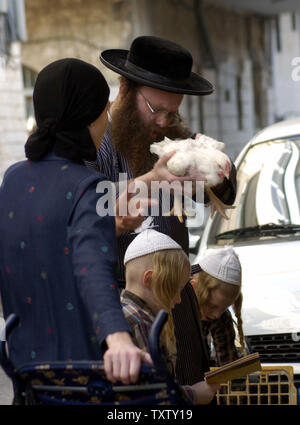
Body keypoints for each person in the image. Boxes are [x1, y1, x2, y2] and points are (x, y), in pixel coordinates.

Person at [0, 58, 157, 393]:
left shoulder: (12, 180)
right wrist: (118, 338)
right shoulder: (88, 186)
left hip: (28, 377)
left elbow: (54, 252)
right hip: (82, 382)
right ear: (90, 119)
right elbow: (92, 267)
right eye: (104, 110)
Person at [86, 35, 237, 385]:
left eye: (174, 112)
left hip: (178, 303)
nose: (164, 122)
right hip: (124, 311)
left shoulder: (173, 139)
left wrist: (217, 167)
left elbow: (225, 196)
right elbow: (87, 230)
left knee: (187, 393)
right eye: (156, 110)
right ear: (124, 91)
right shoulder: (97, 147)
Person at [121, 229, 220, 404]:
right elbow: (152, 395)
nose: (179, 299)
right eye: (175, 289)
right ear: (150, 279)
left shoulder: (123, 313)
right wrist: (193, 395)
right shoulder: (140, 323)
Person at [191, 247, 246, 366]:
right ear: (194, 287)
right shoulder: (175, 305)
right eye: (212, 306)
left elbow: (229, 366)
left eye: (224, 308)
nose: (217, 315)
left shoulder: (220, 317)